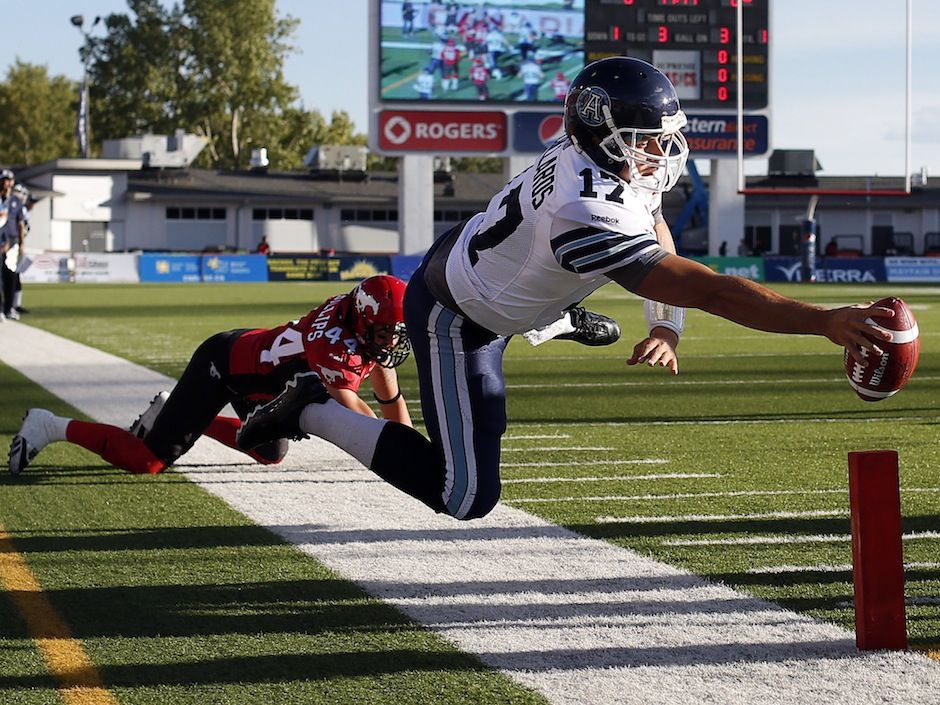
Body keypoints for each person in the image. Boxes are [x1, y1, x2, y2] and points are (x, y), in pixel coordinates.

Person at [214, 59, 897, 524]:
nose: (663, 152)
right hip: (460, 313)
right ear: (605, 137)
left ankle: (551, 313)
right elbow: (712, 290)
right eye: (647, 141)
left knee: (558, 285)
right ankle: (308, 407)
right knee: (464, 494)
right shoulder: (583, 211)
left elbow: (653, 224)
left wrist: (665, 327)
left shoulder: (591, 160)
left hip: (493, 266)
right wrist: (822, 320)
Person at [8, 276, 413, 476]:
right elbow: (364, 422)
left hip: (260, 377)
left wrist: (415, 447)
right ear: (363, 322)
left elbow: (388, 392)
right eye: (385, 332)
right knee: (144, 460)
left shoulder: (354, 318)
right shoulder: (333, 344)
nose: (391, 340)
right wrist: (409, 459)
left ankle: (177, 414)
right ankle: (49, 425)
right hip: (225, 365)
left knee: (269, 452)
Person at [0, 169, 25, 321]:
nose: (6, 183)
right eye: (3, 180)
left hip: (12, 244)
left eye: (8, 180)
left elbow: (20, 223)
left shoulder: (16, 201)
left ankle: (10, 308)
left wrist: (21, 243)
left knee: (11, 277)